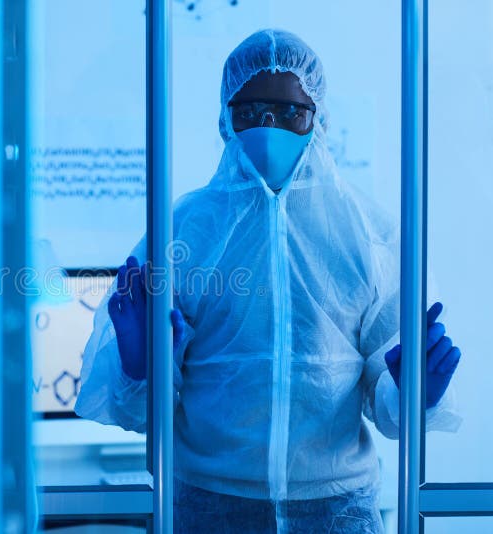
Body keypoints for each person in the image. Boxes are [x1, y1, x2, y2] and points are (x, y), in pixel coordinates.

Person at [75, 29, 462, 533]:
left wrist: (415, 394)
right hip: (208, 505)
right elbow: (141, 411)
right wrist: (139, 367)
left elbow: (389, 408)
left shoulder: (370, 235)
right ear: (224, 119)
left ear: (317, 119)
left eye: (289, 112)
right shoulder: (184, 231)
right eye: (251, 111)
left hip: (335, 508)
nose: (269, 126)